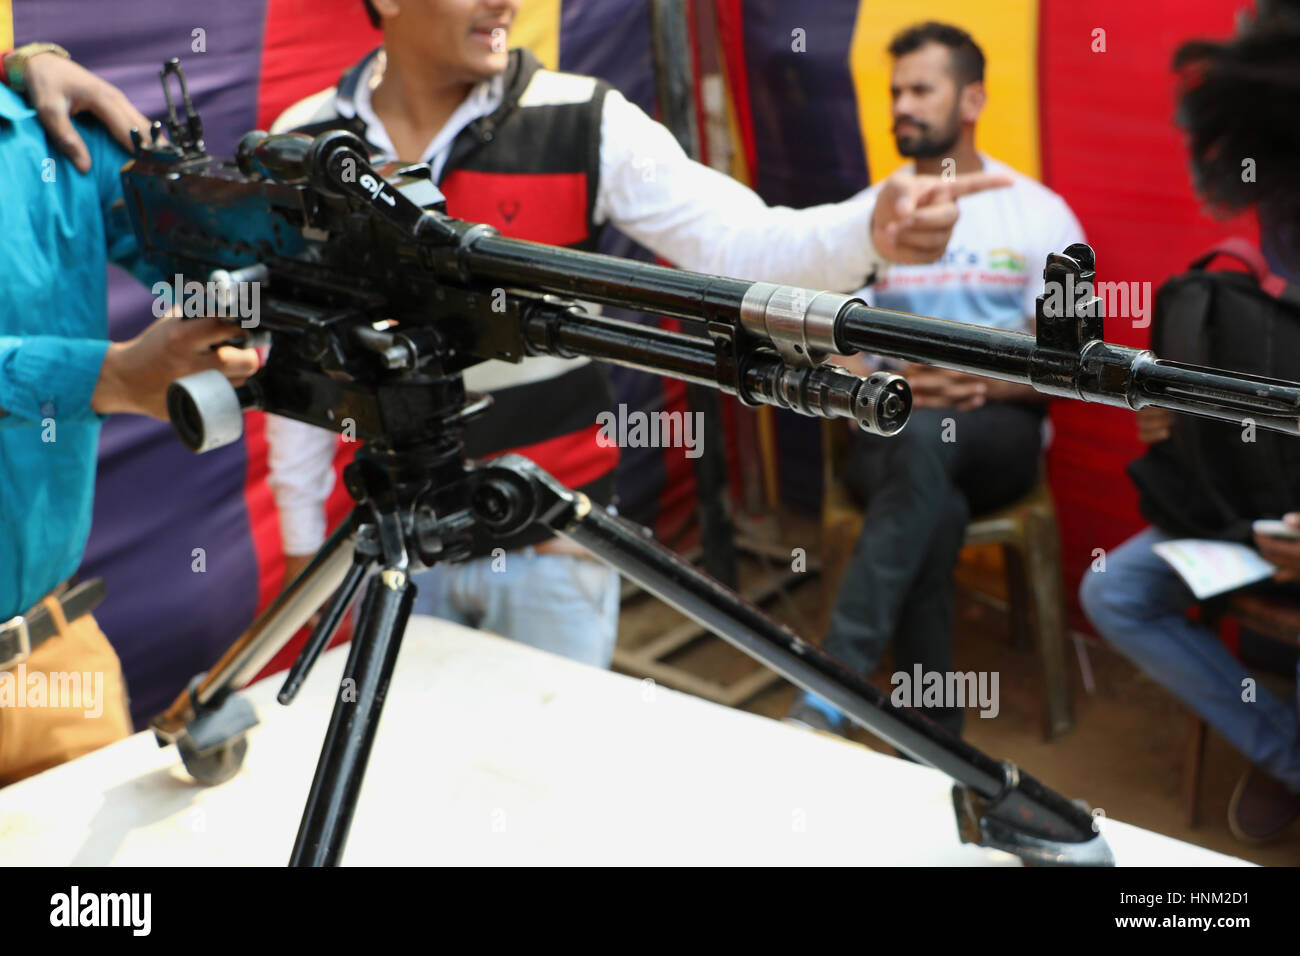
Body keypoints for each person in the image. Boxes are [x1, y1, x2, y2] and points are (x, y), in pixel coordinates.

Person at [263, 0, 1011, 669]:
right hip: (398, 548)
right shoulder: (301, 144)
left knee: (552, 798)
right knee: (412, 790)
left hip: (556, 542)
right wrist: (303, 544)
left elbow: (739, 242)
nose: (507, 2)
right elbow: (298, 351)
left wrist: (867, 227)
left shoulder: (587, 118)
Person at [787, 22, 1083, 739]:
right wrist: (869, 379)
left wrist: (984, 380)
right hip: (888, 429)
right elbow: (820, 348)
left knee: (927, 457)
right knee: (930, 491)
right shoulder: (867, 221)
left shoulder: (1041, 214)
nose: (902, 107)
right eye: (895, 92)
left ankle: (834, 683)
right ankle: (935, 731)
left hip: (998, 433)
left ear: (973, 98)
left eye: (922, 89)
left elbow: (1074, 363)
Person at [0, 44, 259, 784]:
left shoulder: (49, 125)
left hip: (54, 657)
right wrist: (108, 376)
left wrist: (251, 298)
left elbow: (201, 257)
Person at [1081, 0, 1300, 844]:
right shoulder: (1268, 229)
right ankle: (1289, 754)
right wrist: (1188, 428)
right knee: (1117, 589)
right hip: (1256, 519)